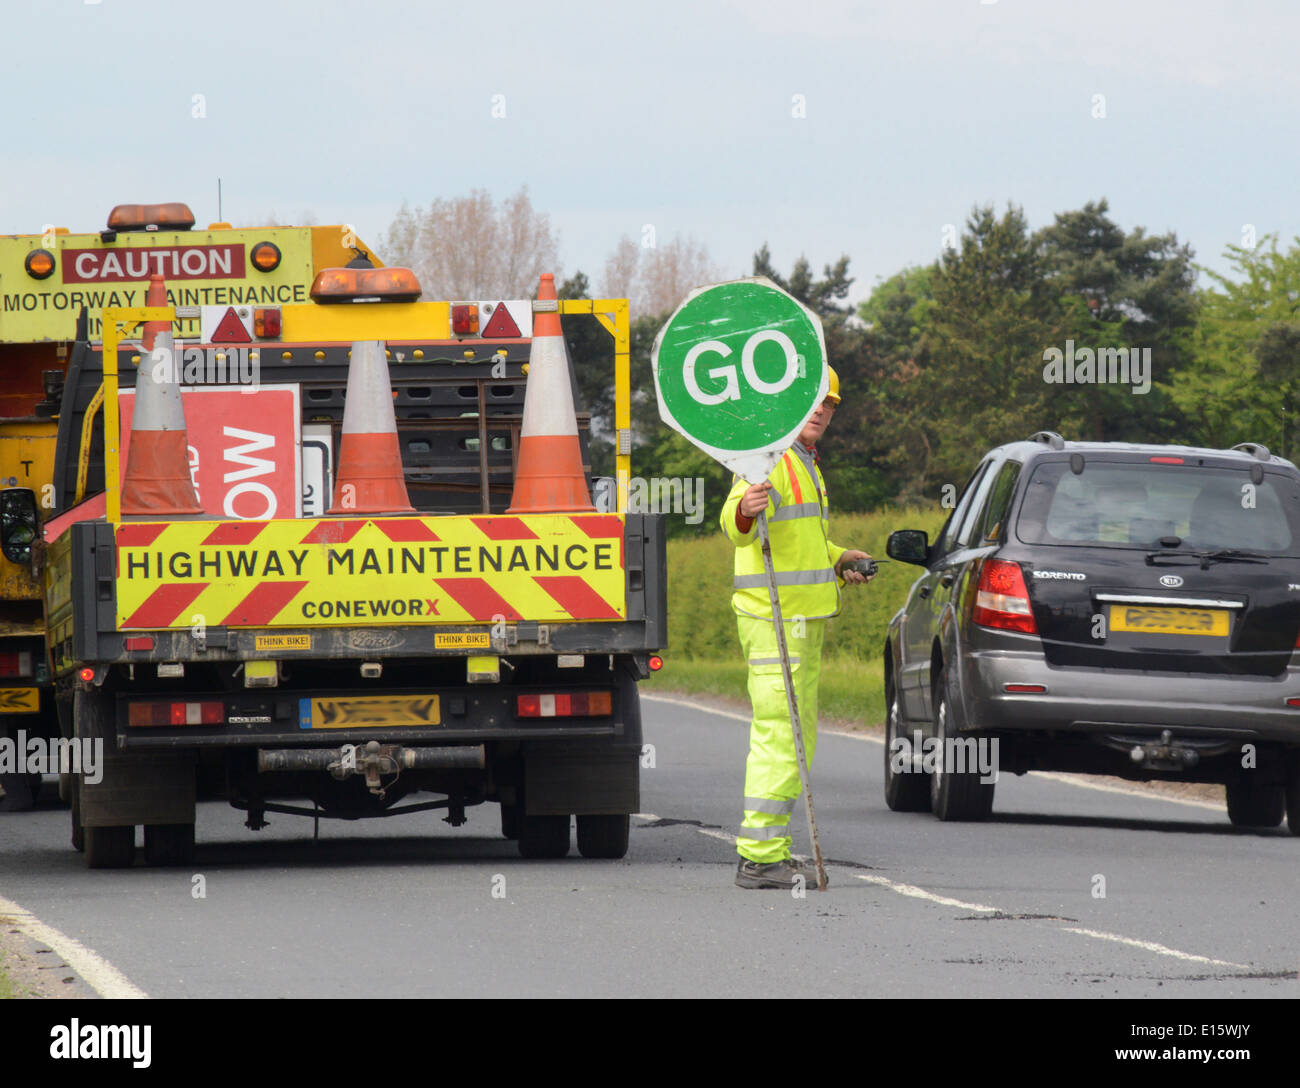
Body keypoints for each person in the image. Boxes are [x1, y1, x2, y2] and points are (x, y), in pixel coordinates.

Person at [719, 367, 874, 889]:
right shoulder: (771, 458)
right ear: (786, 402)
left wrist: (839, 559)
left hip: (801, 623)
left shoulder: (805, 463)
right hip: (773, 621)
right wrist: (743, 509)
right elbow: (734, 520)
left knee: (797, 736)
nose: (821, 410)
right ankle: (759, 858)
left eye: (830, 402)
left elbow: (801, 544)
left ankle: (771, 850)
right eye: (812, 400)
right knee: (780, 733)